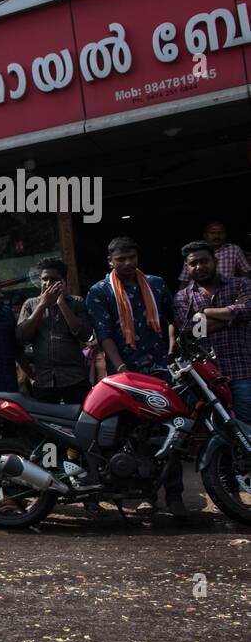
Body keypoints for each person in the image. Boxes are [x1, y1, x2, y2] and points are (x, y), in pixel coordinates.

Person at [85, 236, 185, 516]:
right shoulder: (99, 291)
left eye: (132, 257)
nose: (127, 263)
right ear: (110, 261)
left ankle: (175, 495)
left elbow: (173, 320)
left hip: (160, 369)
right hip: (127, 373)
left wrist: (172, 352)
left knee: (170, 432)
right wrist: (120, 369)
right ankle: (148, 496)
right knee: (135, 435)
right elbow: (104, 334)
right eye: (121, 259)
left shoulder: (155, 284)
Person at [174, 241, 251, 421]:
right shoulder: (183, 297)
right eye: (193, 263)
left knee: (247, 427)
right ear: (187, 266)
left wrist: (205, 312)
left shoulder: (240, 284)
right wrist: (232, 317)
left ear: (215, 261)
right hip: (208, 380)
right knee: (219, 432)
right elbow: (192, 331)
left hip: (243, 370)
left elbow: (248, 309)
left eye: (204, 261)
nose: (199, 267)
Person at [17, 257, 93, 405]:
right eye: (44, 279)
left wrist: (62, 304)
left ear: (63, 281)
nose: (48, 283)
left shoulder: (77, 303)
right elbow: (22, 337)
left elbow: (85, 335)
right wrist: (42, 306)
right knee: (46, 425)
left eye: (53, 279)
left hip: (75, 378)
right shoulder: (30, 305)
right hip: (44, 380)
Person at [178, 221, 250, 284]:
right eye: (212, 233)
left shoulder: (234, 249)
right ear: (205, 235)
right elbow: (185, 280)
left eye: (220, 233)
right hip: (198, 293)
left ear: (225, 235)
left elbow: (245, 272)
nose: (216, 236)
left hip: (228, 292)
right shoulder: (195, 251)